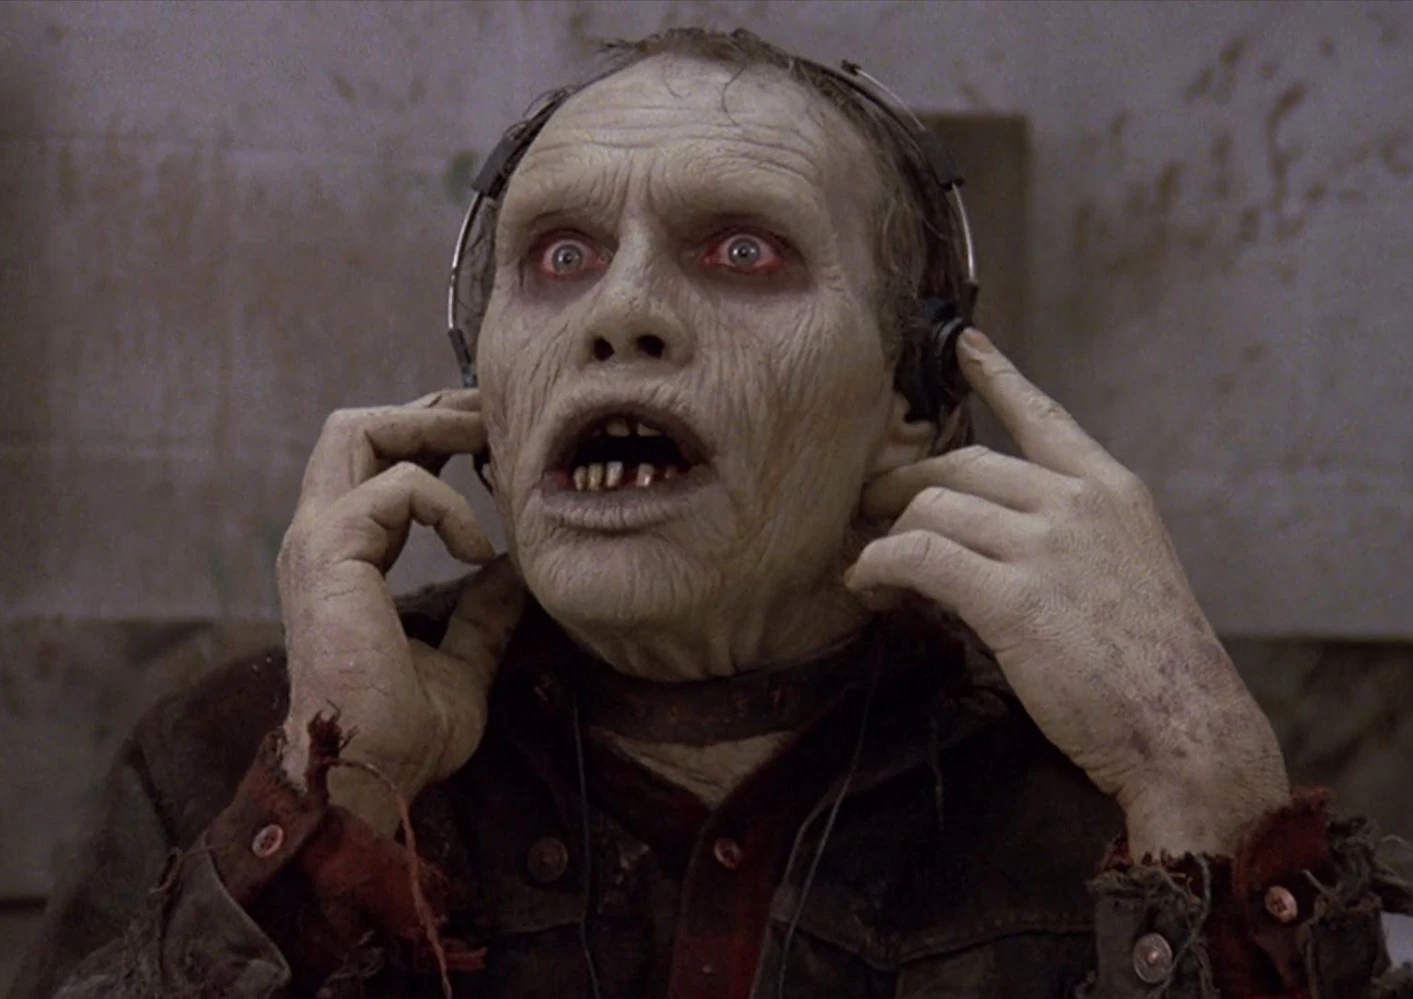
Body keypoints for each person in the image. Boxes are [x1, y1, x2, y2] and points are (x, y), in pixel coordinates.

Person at [10, 27, 1411, 999]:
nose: (620, 312)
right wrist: (337, 810)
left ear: (912, 397)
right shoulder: (229, 759)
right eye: (559, 255)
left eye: (744, 250)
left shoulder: (1090, 794)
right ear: (481, 382)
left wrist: (1202, 791)